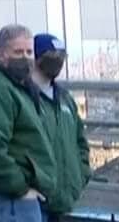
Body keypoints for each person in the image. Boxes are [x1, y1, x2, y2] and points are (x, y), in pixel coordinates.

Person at [0, 24, 56, 222]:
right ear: (2, 54)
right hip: (7, 201)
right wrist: (20, 188)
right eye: (18, 52)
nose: (25, 57)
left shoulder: (19, 88)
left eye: (29, 51)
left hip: (20, 200)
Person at [28, 33, 91, 221]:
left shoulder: (66, 99)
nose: (58, 62)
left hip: (65, 200)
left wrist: (81, 174)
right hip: (35, 203)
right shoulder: (23, 98)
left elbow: (80, 141)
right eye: (52, 56)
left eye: (61, 57)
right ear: (35, 59)